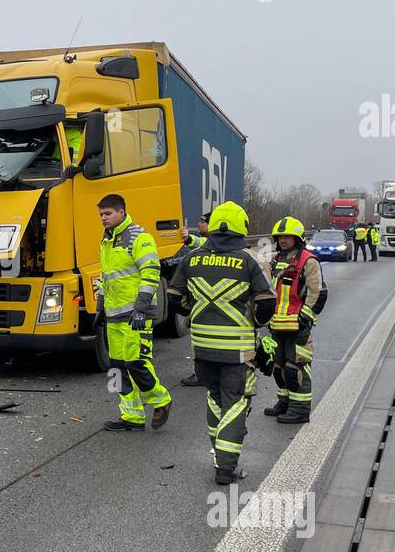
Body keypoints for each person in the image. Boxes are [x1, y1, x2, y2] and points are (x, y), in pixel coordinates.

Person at [170, 201, 275, 484]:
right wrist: (255, 323)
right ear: (242, 228)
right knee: (237, 403)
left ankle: (219, 457)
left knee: (216, 400)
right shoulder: (251, 260)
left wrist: (196, 313)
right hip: (237, 350)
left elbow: (173, 299)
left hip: (202, 348)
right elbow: (267, 304)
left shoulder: (191, 258)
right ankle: (226, 468)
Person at [96, 194, 171, 431]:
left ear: (121, 212)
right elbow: (105, 277)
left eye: (107, 213)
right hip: (114, 315)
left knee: (136, 362)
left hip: (135, 316)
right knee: (117, 367)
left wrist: (140, 309)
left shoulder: (139, 237)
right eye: (100, 215)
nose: (103, 218)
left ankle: (161, 400)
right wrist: (100, 308)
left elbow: (151, 274)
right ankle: (131, 416)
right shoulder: (107, 240)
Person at [262, 216, 328, 424]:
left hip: (297, 326)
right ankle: (285, 402)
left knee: (296, 368)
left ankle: (299, 410)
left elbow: (318, 293)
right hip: (277, 325)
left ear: (297, 238)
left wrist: (304, 321)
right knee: (279, 368)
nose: (283, 240)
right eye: (280, 237)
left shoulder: (308, 260)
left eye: (287, 237)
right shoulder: (274, 260)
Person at [176, 212, 210, 387]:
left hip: (203, 301)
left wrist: (188, 238)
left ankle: (200, 374)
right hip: (205, 299)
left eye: (203, 222)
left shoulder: (211, 243)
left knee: (199, 338)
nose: (198, 224)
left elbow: (198, 242)